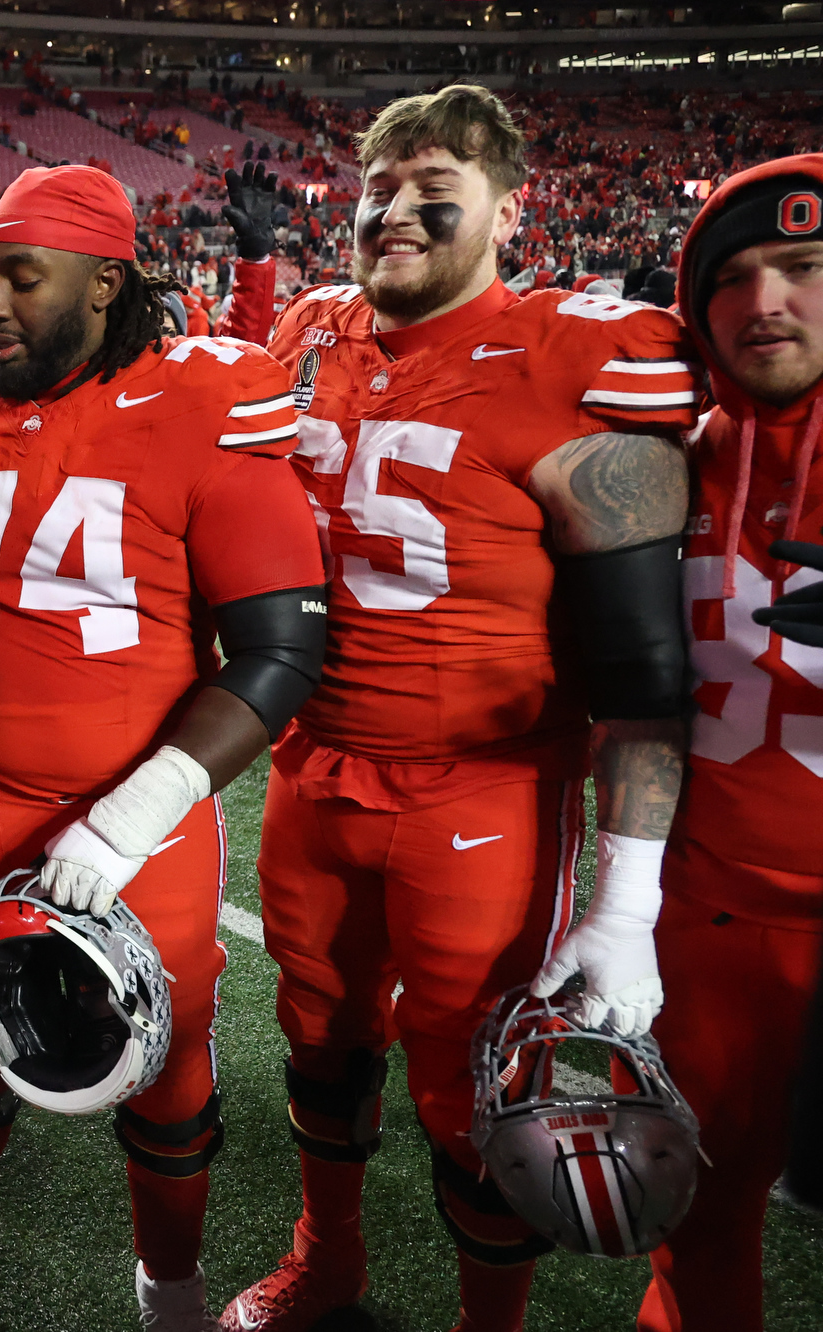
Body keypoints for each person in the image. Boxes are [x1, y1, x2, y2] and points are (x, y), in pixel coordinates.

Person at [225, 85, 699, 1332]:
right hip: (311, 771)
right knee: (319, 1049)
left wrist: (628, 900)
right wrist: (255, 274)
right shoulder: (308, 333)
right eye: (376, 188)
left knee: (476, 1088)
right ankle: (327, 1266)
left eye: (433, 190)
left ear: (507, 207)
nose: (393, 212)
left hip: (481, 793)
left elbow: (645, 670)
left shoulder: (577, 358)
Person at [0, 164, 326, 1332]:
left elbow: (276, 651)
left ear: (105, 282)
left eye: (21, 276)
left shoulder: (203, 398)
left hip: (137, 809)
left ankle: (169, 1293)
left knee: (164, 1067)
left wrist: (127, 818)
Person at [640, 153, 823, 1332]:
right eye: (733, 278)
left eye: (803, 269)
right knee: (695, 1218)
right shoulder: (649, 462)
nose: (764, 301)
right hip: (699, 913)